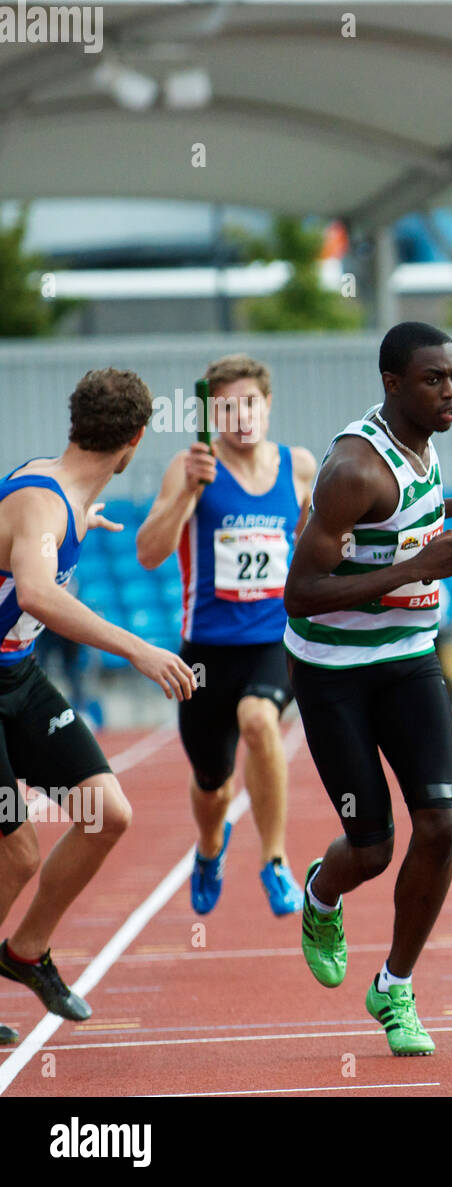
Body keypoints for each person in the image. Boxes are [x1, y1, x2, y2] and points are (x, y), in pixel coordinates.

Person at [284, 322, 452, 1056]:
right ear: (393, 384)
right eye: (434, 379)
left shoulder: (425, 439)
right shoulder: (352, 468)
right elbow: (299, 592)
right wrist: (421, 569)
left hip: (409, 660)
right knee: (372, 847)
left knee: (443, 824)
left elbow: (405, 518)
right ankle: (323, 892)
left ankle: (395, 986)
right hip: (332, 674)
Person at [0, 370, 197, 1041]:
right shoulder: (44, 502)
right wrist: (138, 649)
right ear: (135, 441)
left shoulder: (60, 491)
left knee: (106, 811)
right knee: (18, 850)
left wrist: (77, 521)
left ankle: (25, 951)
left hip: (17, 678)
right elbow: (34, 592)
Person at [137, 355, 315, 917]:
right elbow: (149, 553)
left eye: (251, 405)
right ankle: (211, 847)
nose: (242, 417)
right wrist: (188, 493)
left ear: (268, 406)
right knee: (211, 785)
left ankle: (275, 860)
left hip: (271, 641)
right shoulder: (192, 466)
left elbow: (314, 543)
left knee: (260, 722)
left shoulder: (300, 466)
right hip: (207, 652)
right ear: (212, 415)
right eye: (228, 407)